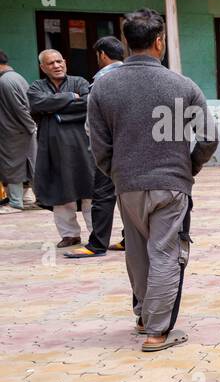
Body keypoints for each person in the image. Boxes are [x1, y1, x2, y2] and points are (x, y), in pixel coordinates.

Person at [87, 7, 218, 353]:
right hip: (171, 182)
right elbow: (207, 138)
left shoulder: (103, 88)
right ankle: (157, 331)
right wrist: (189, 167)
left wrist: (115, 171)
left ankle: (145, 316)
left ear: (127, 42)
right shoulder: (182, 85)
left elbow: (98, 144)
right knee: (164, 252)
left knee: (138, 252)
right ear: (159, 41)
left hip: (126, 183)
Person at [64, 37, 128, 258]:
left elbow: (93, 123)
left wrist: (98, 148)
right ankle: (130, 237)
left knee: (103, 195)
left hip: (110, 148)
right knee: (128, 194)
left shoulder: (102, 80)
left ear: (102, 54)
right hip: (132, 147)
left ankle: (97, 244)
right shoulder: (132, 75)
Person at [28, 49, 95, 247]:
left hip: (82, 145)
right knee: (60, 189)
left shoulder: (80, 82)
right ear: (43, 68)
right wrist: (69, 97)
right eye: (51, 63)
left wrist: (55, 112)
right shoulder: (36, 87)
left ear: (65, 62)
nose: (56, 66)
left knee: (89, 190)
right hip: (52, 147)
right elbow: (37, 103)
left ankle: (97, 232)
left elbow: (87, 103)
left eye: (59, 61)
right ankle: (70, 235)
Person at [0, 49, 37, 215]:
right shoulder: (16, 77)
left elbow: (20, 108)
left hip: (13, 131)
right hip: (21, 130)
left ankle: (15, 202)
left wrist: (32, 127)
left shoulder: (5, 82)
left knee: (12, 166)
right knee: (28, 165)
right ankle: (29, 198)